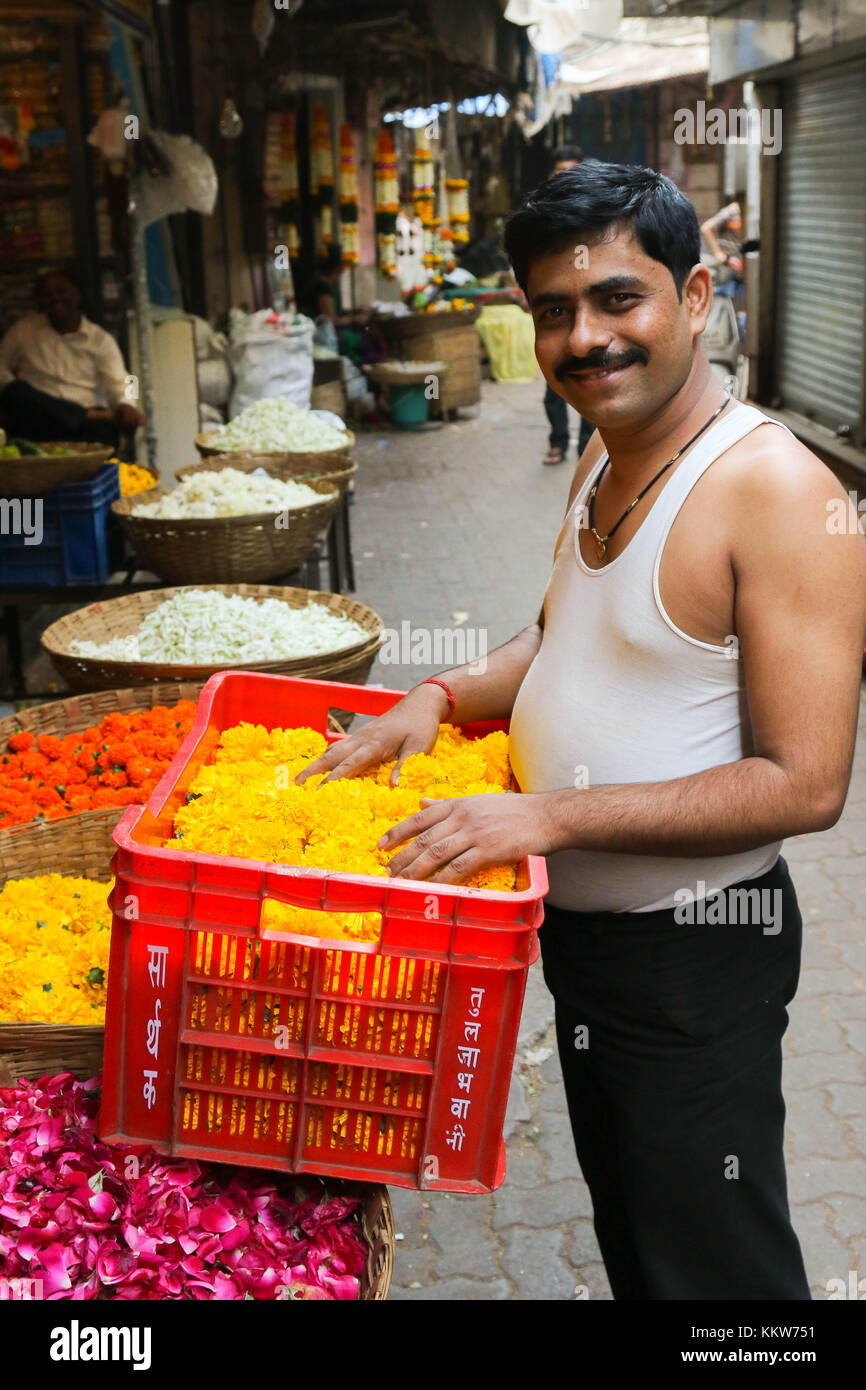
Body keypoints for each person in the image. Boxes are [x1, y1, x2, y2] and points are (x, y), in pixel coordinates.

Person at [293, 160, 866, 1299]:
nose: (585, 338)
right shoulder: (603, 448)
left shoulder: (778, 493)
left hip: (696, 953)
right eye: (554, 310)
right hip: (588, 950)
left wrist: (542, 814)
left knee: (718, 1273)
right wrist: (440, 695)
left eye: (618, 298)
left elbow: (805, 785)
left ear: (695, 297)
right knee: (644, 1244)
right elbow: (558, 636)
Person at [0, 268, 144, 447]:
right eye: (47, 294)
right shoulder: (23, 331)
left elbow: (128, 379)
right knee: (15, 391)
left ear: (77, 294)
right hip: (40, 424)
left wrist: (128, 404)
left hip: (85, 426)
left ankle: (85, 416)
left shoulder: (100, 339)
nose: (54, 298)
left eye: (61, 291)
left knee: (105, 435)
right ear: (40, 301)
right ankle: (84, 414)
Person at [542, 146, 593, 465]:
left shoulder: (593, 209)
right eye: (560, 171)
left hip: (589, 302)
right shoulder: (546, 212)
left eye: (571, 170)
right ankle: (558, 441)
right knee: (556, 380)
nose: (565, 177)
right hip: (558, 304)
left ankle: (587, 448)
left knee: (590, 374)